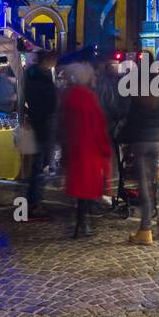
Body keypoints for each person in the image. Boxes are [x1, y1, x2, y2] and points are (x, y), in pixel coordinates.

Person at [121, 51, 159, 245]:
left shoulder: (136, 86)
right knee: (157, 182)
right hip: (157, 139)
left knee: (144, 185)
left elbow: (129, 115)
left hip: (141, 140)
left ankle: (145, 229)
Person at [59, 63, 111, 239]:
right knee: (87, 187)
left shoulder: (68, 96)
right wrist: (104, 147)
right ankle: (84, 224)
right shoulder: (88, 97)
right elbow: (97, 124)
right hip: (89, 147)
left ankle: (81, 223)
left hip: (74, 146)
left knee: (80, 187)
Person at [23, 50, 58, 221]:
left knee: (39, 165)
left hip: (40, 124)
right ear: (47, 61)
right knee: (40, 166)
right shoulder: (42, 78)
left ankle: (33, 201)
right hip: (44, 126)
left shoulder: (33, 76)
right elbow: (49, 103)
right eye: (53, 60)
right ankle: (35, 204)